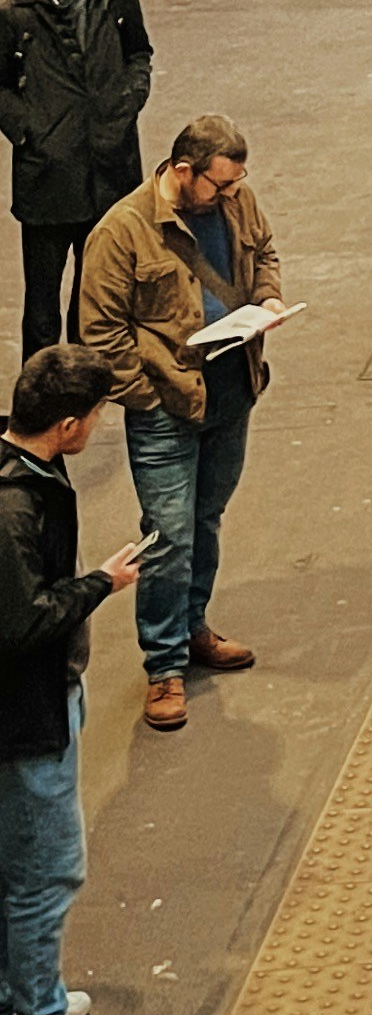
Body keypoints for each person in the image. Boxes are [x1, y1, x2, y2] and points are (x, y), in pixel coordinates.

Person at [76, 118, 277, 734]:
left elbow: (264, 251)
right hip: (167, 407)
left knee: (206, 518)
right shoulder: (121, 231)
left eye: (238, 183)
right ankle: (163, 666)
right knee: (168, 536)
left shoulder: (237, 200)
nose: (232, 195)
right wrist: (146, 398)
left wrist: (267, 299)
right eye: (220, 186)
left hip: (230, 392)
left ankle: (193, 629)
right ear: (183, 173)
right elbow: (101, 333)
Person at [0, 343, 142, 1015]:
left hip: (24, 710)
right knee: (46, 871)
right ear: (65, 425)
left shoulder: (19, 470)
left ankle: (12, 996)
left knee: (12, 867)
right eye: (91, 416)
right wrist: (101, 584)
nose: (94, 428)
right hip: (25, 717)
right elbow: (21, 622)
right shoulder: (16, 507)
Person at [0, 0, 152, 359]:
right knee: (42, 305)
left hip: (109, 169)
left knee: (96, 297)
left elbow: (138, 53)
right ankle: (42, 398)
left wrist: (128, 103)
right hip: (48, 177)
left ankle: (84, 392)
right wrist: (30, 133)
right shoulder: (17, 15)